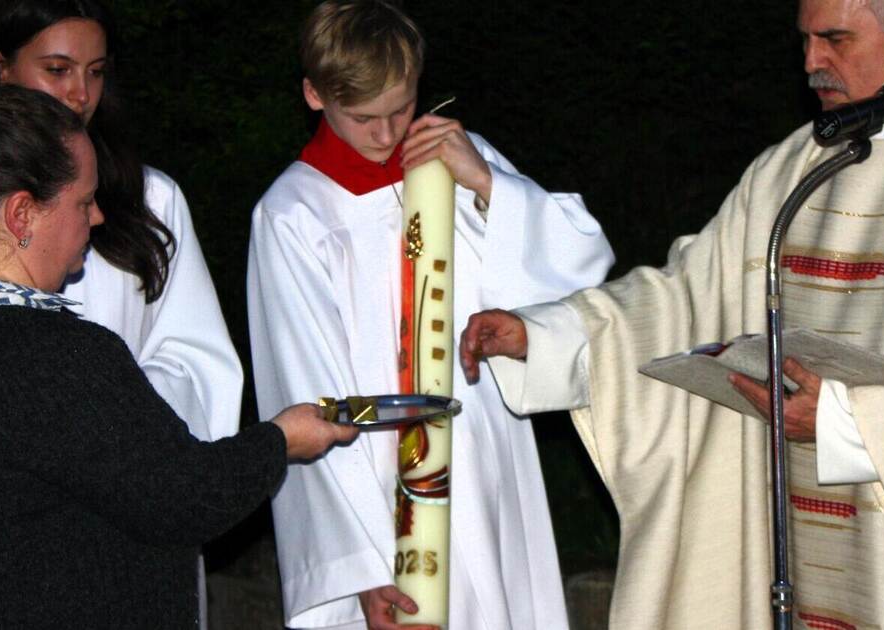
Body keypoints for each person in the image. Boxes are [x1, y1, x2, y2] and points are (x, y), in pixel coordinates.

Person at [461, 1, 884, 628]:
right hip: (792, 541)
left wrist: (840, 422)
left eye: (834, 39)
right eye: (805, 40)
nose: (811, 63)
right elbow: (687, 298)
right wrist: (548, 334)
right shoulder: (793, 168)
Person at [0, 85, 358, 628]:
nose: (99, 217)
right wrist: (281, 439)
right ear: (21, 215)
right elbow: (183, 496)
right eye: (83, 201)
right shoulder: (46, 354)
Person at [246, 2, 615, 628]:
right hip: (378, 487)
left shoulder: (458, 158)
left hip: (485, 455)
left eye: (402, 108)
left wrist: (485, 183)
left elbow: (583, 264)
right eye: (363, 117)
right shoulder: (293, 214)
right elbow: (304, 386)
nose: (388, 135)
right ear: (314, 94)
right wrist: (361, 569)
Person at [0, 0, 242, 444]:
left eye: (95, 72)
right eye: (58, 69)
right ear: (3, 67)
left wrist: (105, 424)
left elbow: (196, 359)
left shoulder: (151, 198)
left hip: (131, 467)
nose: (80, 94)